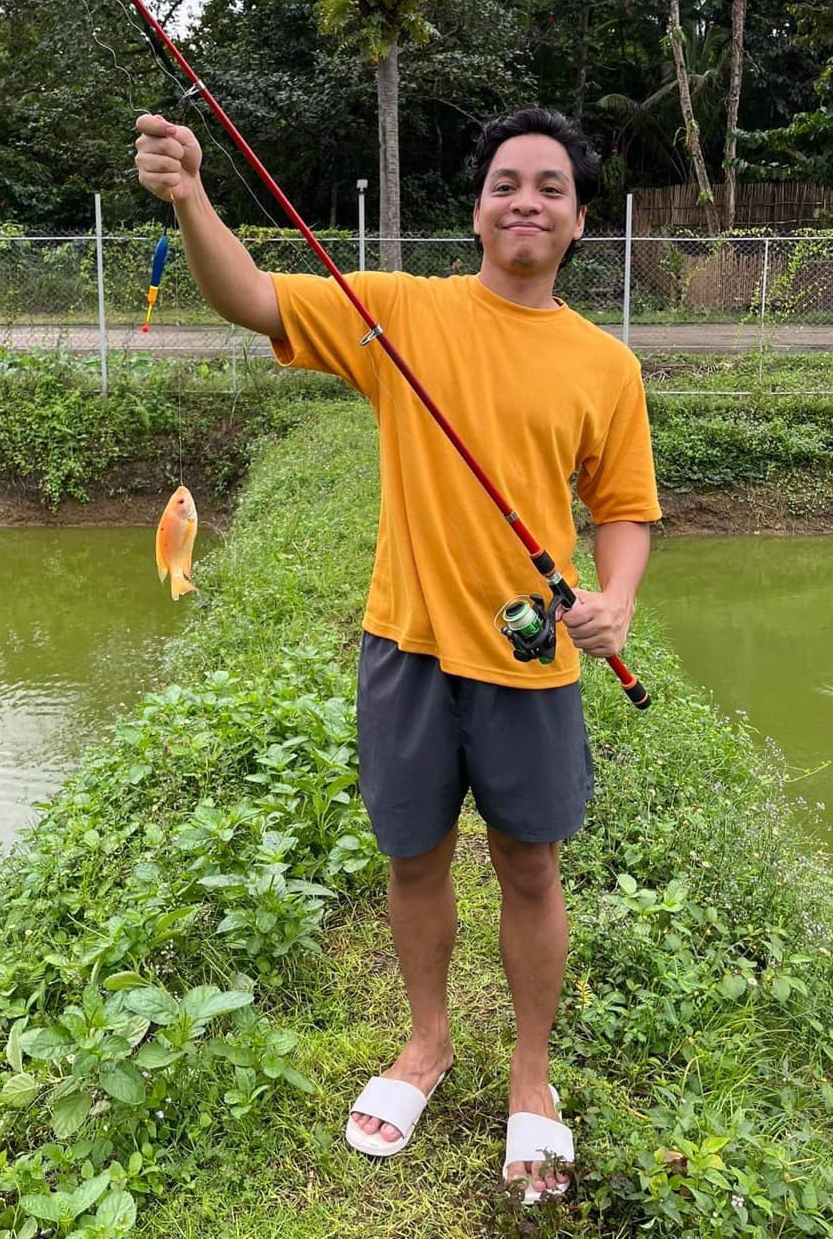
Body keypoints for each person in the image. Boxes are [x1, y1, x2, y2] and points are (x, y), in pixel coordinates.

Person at [134, 105, 660, 1204]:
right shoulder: (400, 313)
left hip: (529, 664)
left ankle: (531, 1071)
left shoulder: (605, 364)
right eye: (506, 180)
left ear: (577, 223)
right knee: (413, 856)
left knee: (530, 864)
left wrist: (613, 597)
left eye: (550, 187)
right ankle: (427, 1043)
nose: (526, 199)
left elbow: (623, 505)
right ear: (477, 209)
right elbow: (256, 298)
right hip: (406, 648)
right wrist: (192, 197)